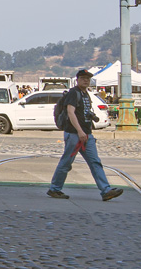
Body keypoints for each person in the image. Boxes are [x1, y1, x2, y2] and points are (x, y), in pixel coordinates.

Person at [47, 69, 122, 201]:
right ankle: (55, 189)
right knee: (66, 162)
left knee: (95, 162)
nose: (86, 80)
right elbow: (71, 113)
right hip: (74, 134)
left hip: (87, 135)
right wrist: (80, 131)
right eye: (83, 78)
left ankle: (106, 190)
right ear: (77, 80)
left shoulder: (86, 94)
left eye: (88, 78)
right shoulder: (73, 93)